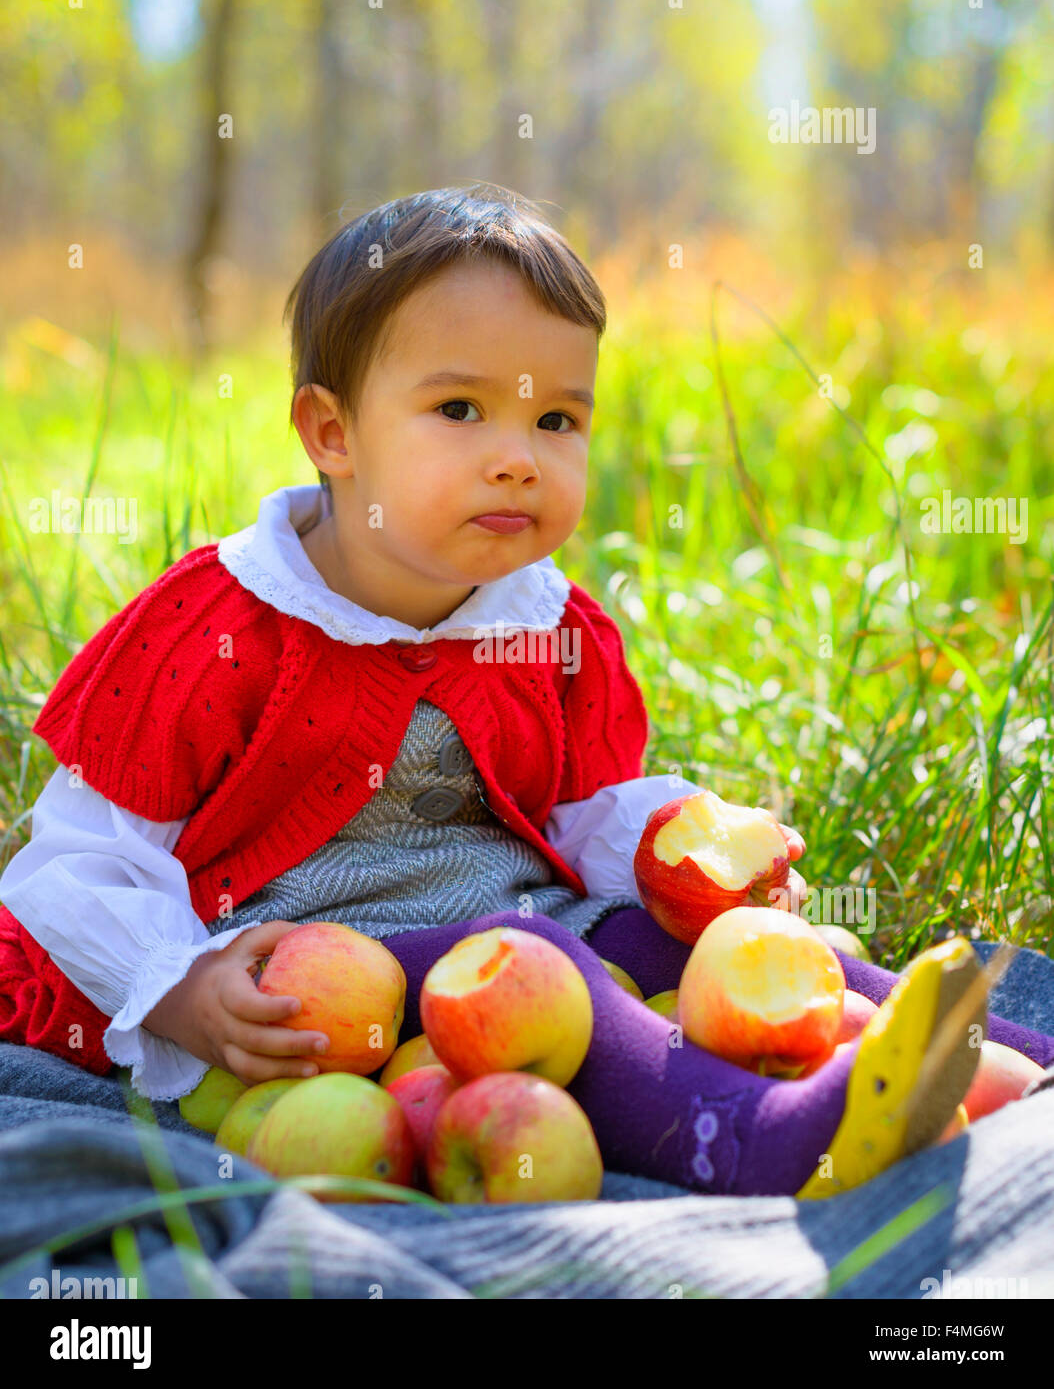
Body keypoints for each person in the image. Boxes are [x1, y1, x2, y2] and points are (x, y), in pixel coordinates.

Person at [1, 183, 1050, 1200]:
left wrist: (669, 841)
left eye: (556, 420)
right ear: (331, 434)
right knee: (538, 966)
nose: (517, 459)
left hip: (518, 924)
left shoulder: (544, 624)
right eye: (459, 409)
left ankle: (988, 1054)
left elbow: (579, 806)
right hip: (311, 991)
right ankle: (759, 1142)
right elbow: (72, 860)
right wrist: (180, 989)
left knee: (675, 945)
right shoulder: (220, 631)